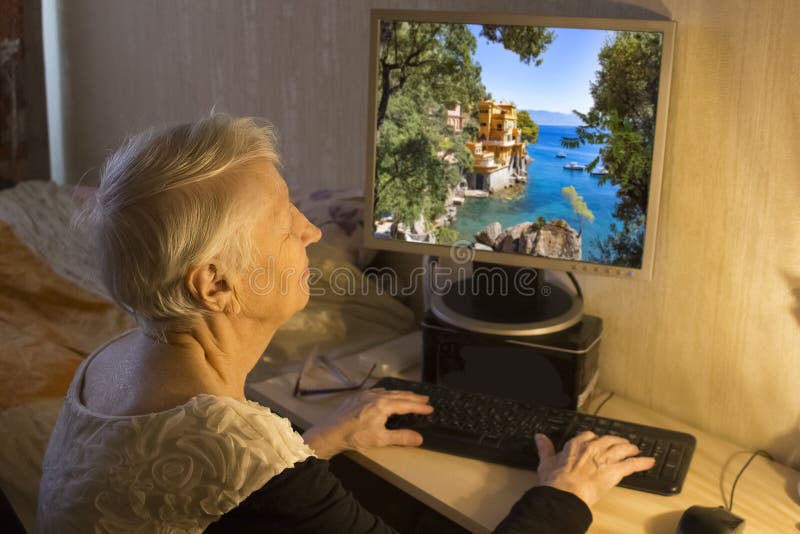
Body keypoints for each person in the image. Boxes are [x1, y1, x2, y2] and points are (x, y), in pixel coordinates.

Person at [37, 115, 655, 533]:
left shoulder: (112, 363)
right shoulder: (238, 449)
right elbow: (235, 473)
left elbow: (214, 502)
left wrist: (318, 442)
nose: (311, 231)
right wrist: (564, 495)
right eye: (286, 223)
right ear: (215, 284)